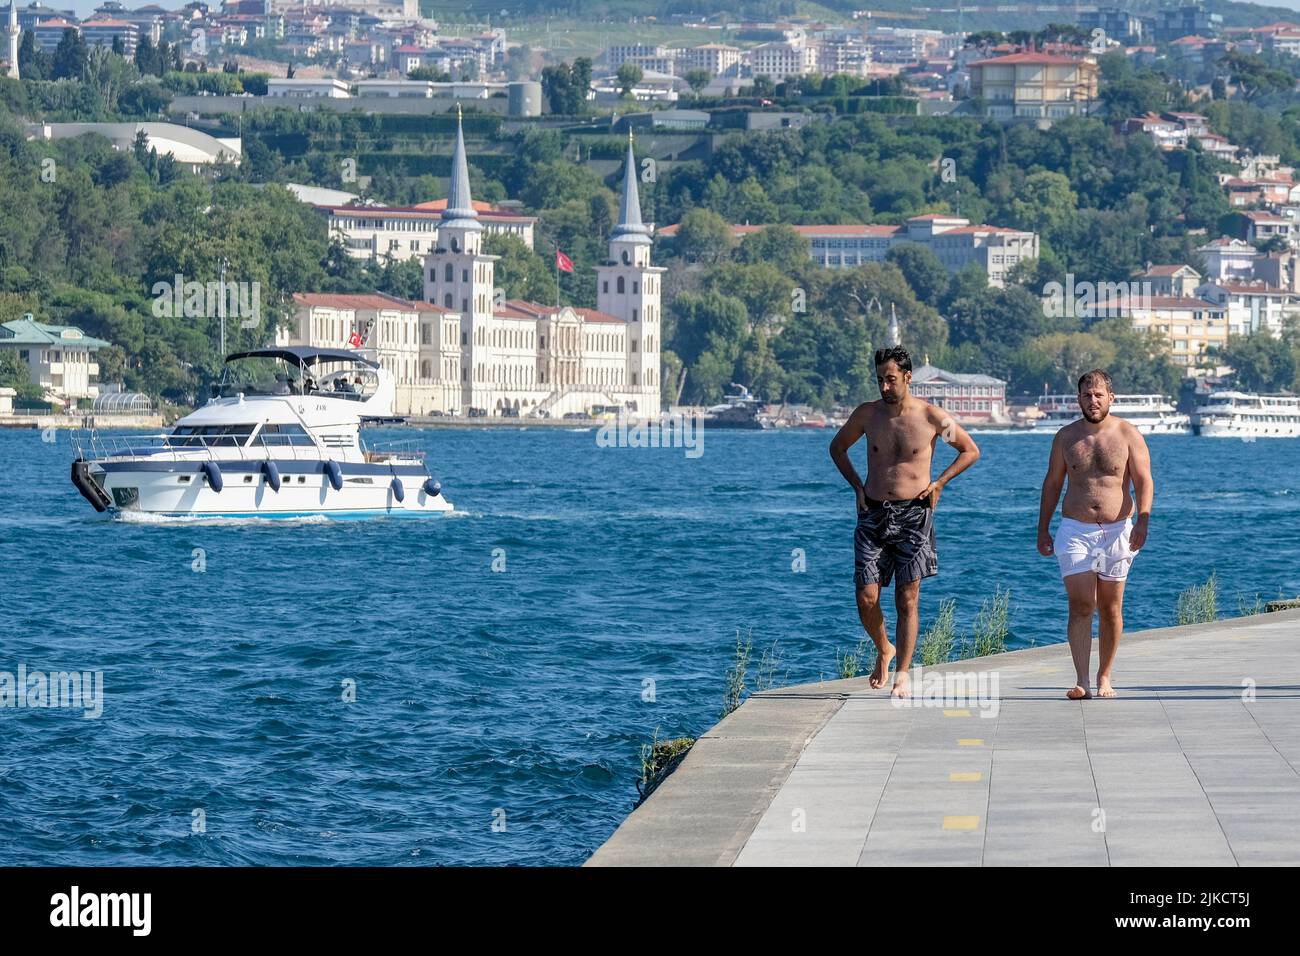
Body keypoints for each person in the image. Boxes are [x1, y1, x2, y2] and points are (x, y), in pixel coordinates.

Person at [829, 346, 981, 697]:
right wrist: (856, 486)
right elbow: (837, 448)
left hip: (915, 514)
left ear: (907, 377)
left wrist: (939, 483)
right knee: (866, 596)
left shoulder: (931, 417)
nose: (884, 386)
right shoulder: (867, 416)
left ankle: (902, 672)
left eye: (891, 379)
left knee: (907, 598)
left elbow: (970, 450)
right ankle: (884, 647)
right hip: (873, 512)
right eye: (880, 379)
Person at [1037, 369, 1154, 700]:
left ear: (1110, 398)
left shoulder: (1128, 434)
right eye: (1087, 395)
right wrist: (1042, 528)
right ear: (1079, 399)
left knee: (1111, 608)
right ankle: (1082, 679)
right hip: (1075, 530)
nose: (1093, 400)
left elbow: (1144, 480)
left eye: (1099, 394)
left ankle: (1105, 676)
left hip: (1118, 530)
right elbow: (1053, 484)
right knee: (1081, 605)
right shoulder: (1065, 437)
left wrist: (1143, 521)